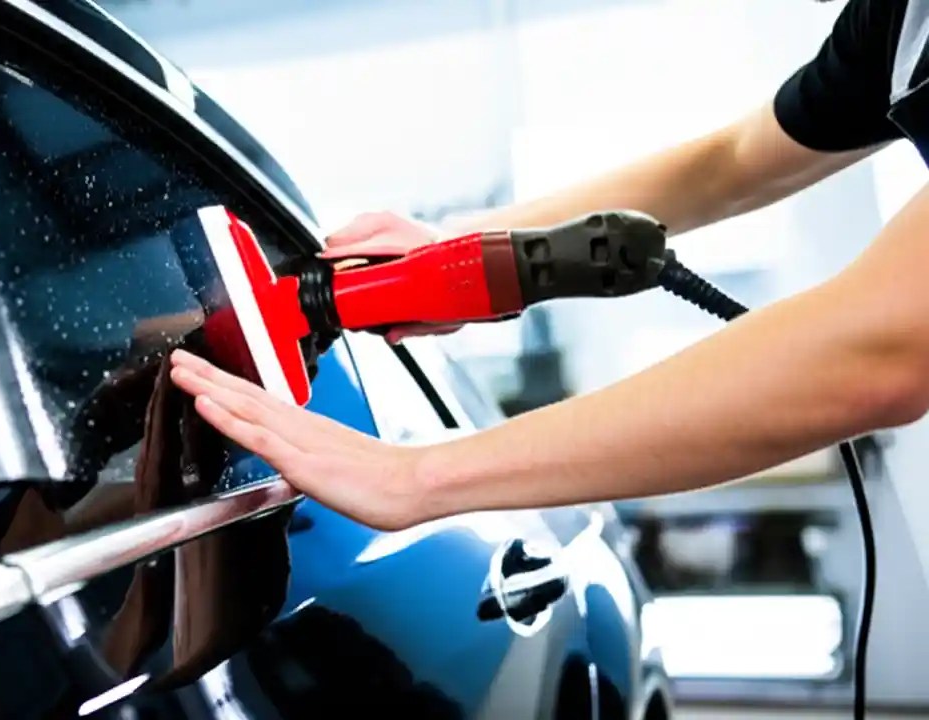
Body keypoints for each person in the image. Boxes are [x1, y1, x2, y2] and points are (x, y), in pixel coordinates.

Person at [168, 0, 929, 532]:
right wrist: (456, 242)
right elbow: (734, 164)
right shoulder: (897, 23)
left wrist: (419, 478)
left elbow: (887, 344)